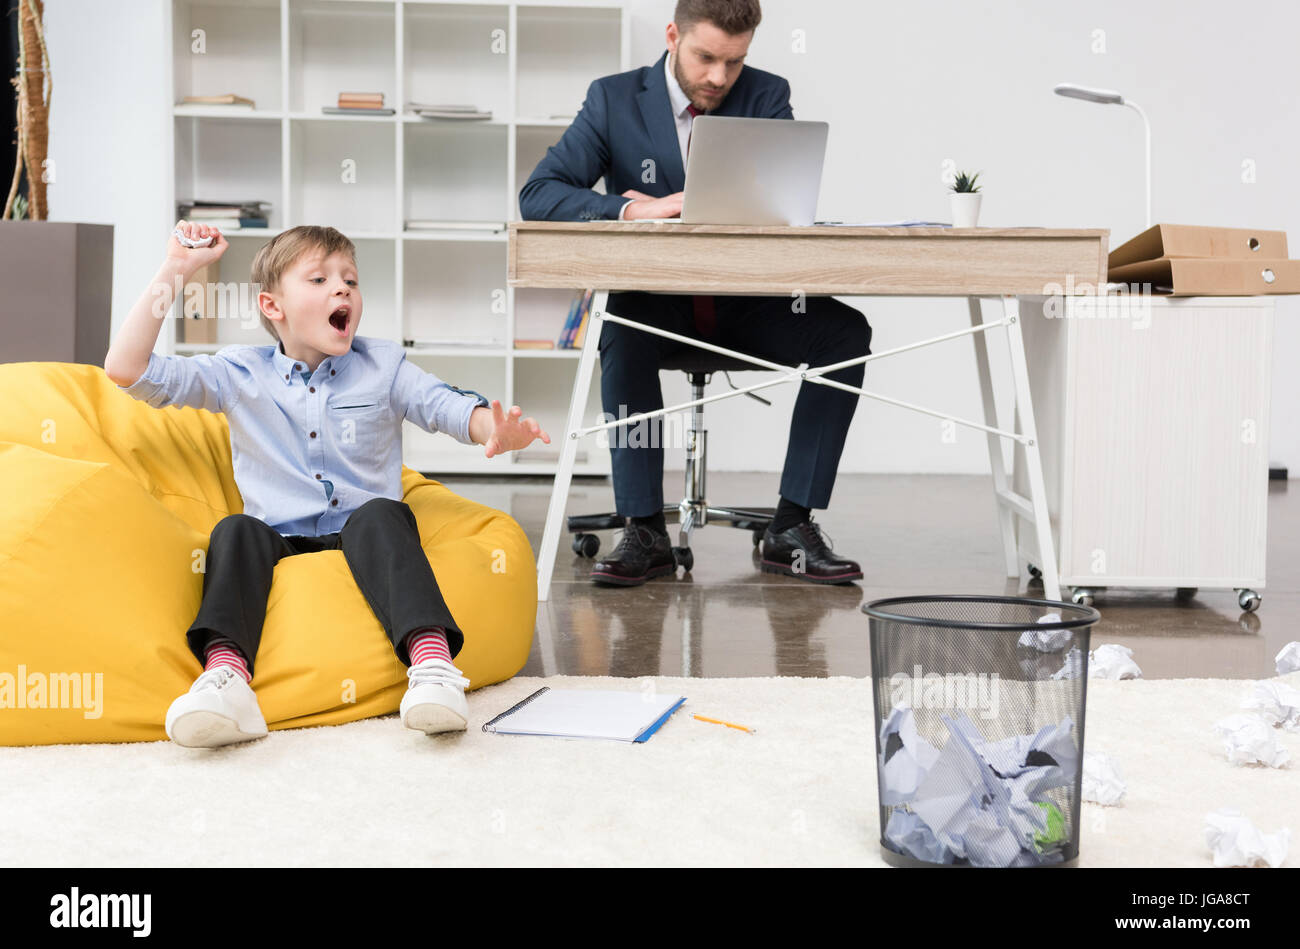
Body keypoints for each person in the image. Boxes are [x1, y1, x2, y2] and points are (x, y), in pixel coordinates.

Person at [104, 222, 550, 748]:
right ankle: (226, 680)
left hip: (366, 534)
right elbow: (126, 369)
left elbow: (444, 405)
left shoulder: (383, 365)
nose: (342, 289)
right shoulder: (239, 372)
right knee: (235, 530)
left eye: (350, 281)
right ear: (274, 307)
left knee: (385, 514)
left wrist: (490, 428)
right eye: (319, 280)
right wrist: (177, 269)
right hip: (280, 540)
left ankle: (432, 668)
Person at [519, 0, 869, 588]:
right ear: (672, 35)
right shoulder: (612, 99)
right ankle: (645, 529)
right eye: (706, 57)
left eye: (734, 62)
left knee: (844, 333)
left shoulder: (767, 96)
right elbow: (539, 194)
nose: (717, 77)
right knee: (623, 327)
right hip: (655, 305)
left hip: (744, 302)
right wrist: (635, 209)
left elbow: (780, 201)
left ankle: (790, 526)